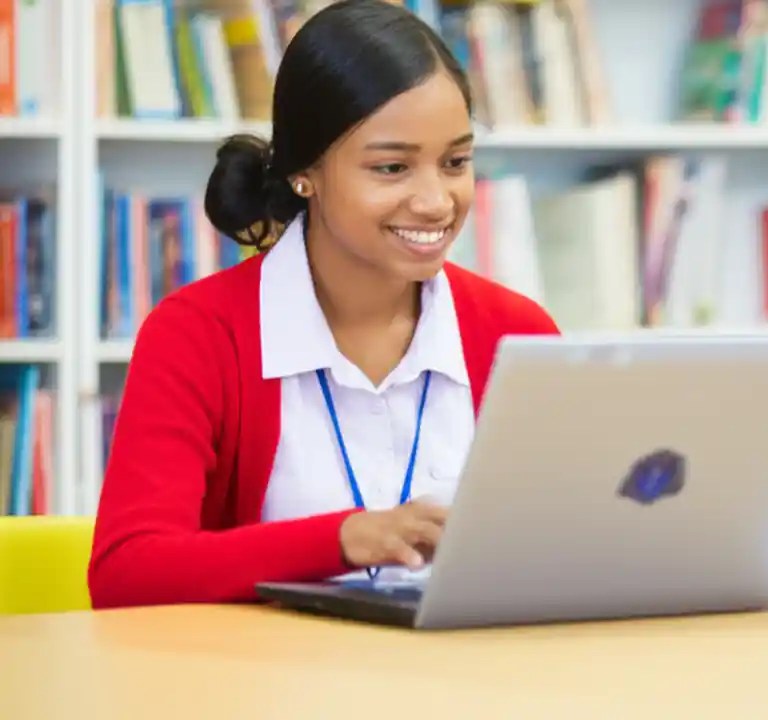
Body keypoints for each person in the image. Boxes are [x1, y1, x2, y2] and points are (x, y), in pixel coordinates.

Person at [88, 0, 558, 608]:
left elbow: (566, 547)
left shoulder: (515, 331)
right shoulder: (199, 334)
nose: (437, 200)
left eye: (456, 162)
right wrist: (345, 538)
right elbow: (127, 574)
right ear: (305, 172)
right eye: (392, 167)